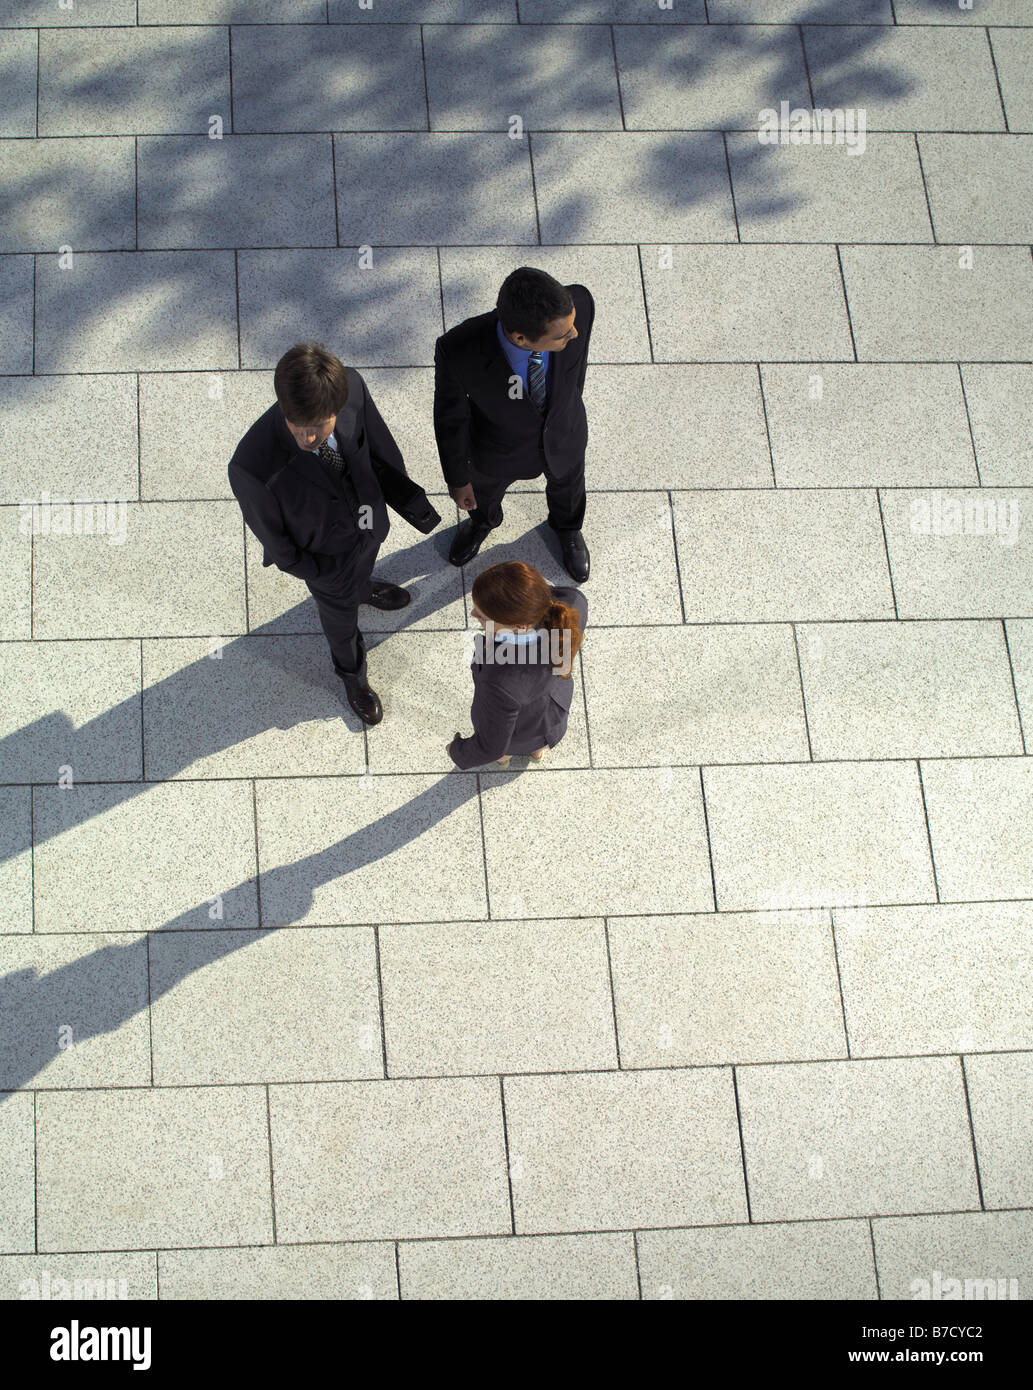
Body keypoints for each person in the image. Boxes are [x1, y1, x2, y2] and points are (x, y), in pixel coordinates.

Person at [227, 343, 440, 727]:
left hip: (368, 524)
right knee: (340, 623)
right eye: (298, 427)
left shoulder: (352, 387)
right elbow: (274, 539)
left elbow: (379, 446)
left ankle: (364, 589)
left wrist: (403, 501)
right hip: (325, 560)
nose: (308, 438)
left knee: (363, 571)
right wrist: (317, 572)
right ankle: (351, 674)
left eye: (318, 427)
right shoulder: (250, 465)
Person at [433, 267, 594, 583]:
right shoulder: (459, 350)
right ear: (520, 338)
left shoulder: (579, 305)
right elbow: (450, 417)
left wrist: (566, 412)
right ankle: (483, 522)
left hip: (565, 434)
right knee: (484, 495)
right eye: (562, 335)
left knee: (570, 488)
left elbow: (577, 370)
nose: (573, 335)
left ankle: (568, 529)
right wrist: (457, 477)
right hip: (497, 449)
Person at [446, 561, 588, 770]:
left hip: (516, 731)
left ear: (520, 626)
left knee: (503, 752)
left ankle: (504, 762)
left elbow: (491, 746)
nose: (474, 615)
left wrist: (457, 751)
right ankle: (537, 753)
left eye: (484, 618)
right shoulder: (572, 602)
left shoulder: (500, 680)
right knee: (538, 742)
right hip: (553, 709)